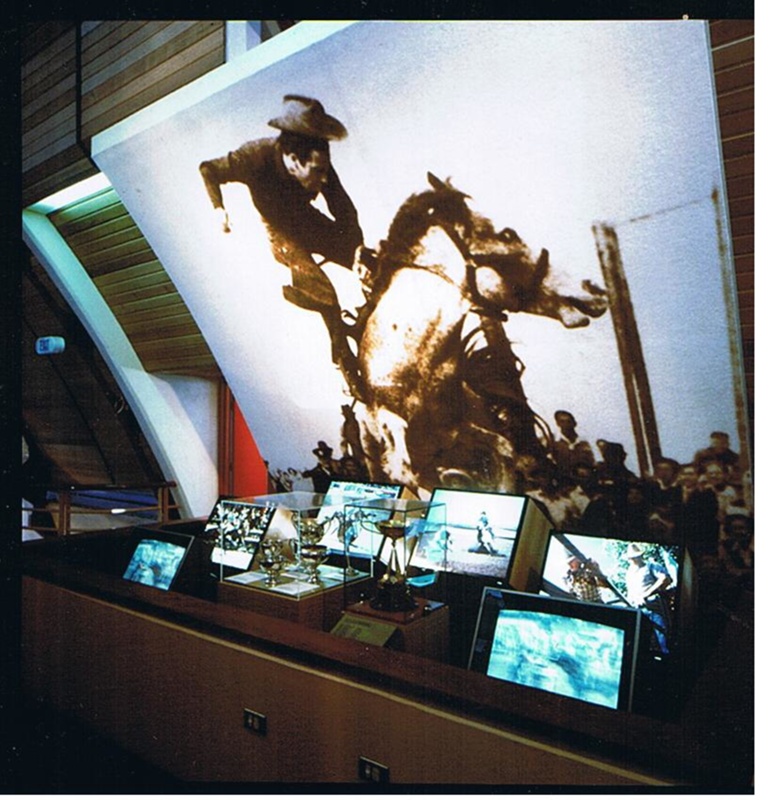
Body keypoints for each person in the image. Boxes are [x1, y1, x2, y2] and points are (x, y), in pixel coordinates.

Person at [199, 95, 365, 386]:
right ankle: (343, 358)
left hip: (305, 219)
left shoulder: (319, 160)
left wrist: (359, 250)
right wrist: (218, 209)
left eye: (325, 170)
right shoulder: (254, 157)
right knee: (323, 291)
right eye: (317, 172)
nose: (323, 179)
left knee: (366, 258)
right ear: (292, 159)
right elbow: (208, 169)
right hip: (281, 232)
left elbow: (343, 207)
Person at [624, 542, 673, 654]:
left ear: (640, 556)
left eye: (636, 556)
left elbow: (665, 579)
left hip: (654, 609)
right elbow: (630, 592)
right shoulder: (629, 574)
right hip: (637, 610)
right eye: (632, 557)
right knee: (640, 642)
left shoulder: (651, 566)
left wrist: (646, 594)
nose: (634, 559)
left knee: (663, 639)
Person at [552, 410, 595, 479]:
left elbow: (597, 461)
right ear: (558, 424)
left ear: (574, 423)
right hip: (564, 481)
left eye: (568, 422)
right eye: (562, 422)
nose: (566, 425)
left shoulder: (585, 441)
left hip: (587, 479)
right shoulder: (553, 441)